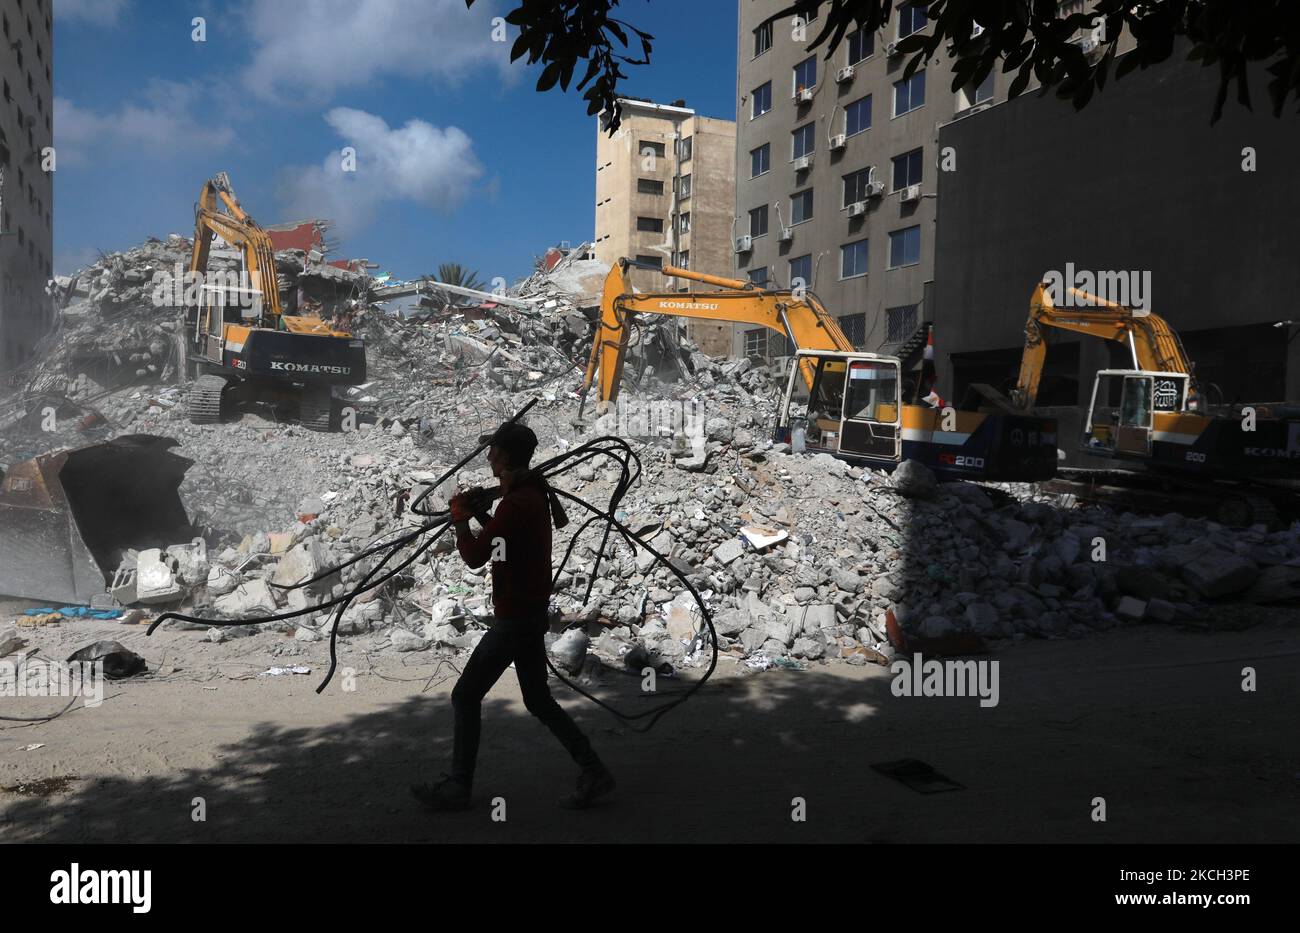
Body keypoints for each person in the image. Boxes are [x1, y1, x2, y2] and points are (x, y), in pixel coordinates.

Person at [411, 421, 615, 811]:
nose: (487, 456)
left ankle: (458, 786)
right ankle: (594, 769)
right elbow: (504, 544)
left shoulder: (518, 501)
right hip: (529, 614)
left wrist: (459, 519)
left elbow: (475, 556)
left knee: (466, 695)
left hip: (515, 619)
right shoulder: (528, 498)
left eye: (492, 451)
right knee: (538, 700)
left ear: (503, 456)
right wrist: (482, 517)